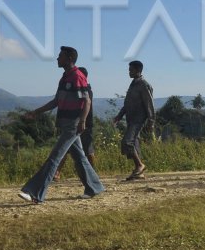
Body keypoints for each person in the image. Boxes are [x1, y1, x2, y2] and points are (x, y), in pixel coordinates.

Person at [19, 47, 101, 203]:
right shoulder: (65, 77)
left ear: (69, 58)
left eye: (60, 56)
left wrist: (82, 121)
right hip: (65, 123)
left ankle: (35, 192)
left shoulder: (77, 76)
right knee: (79, 157)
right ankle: (94, 187)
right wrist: (36, 112)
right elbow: (56, 101)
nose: (57, 58)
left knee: (54, 157)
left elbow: (87, 101)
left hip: (73, 124)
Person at [113, 60, 154, 181]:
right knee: (134, 144)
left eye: (131, 70)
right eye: (129, 70)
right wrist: (119, 116)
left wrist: (151, 121)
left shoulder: (143, 84)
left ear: (138, 70)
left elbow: (149, 104)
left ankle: (140, 165)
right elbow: (127, 103)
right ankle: (138, 172)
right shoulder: (133, 84)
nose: (129, 72)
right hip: (131, 118)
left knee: (127, 142)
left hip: (138, 119)